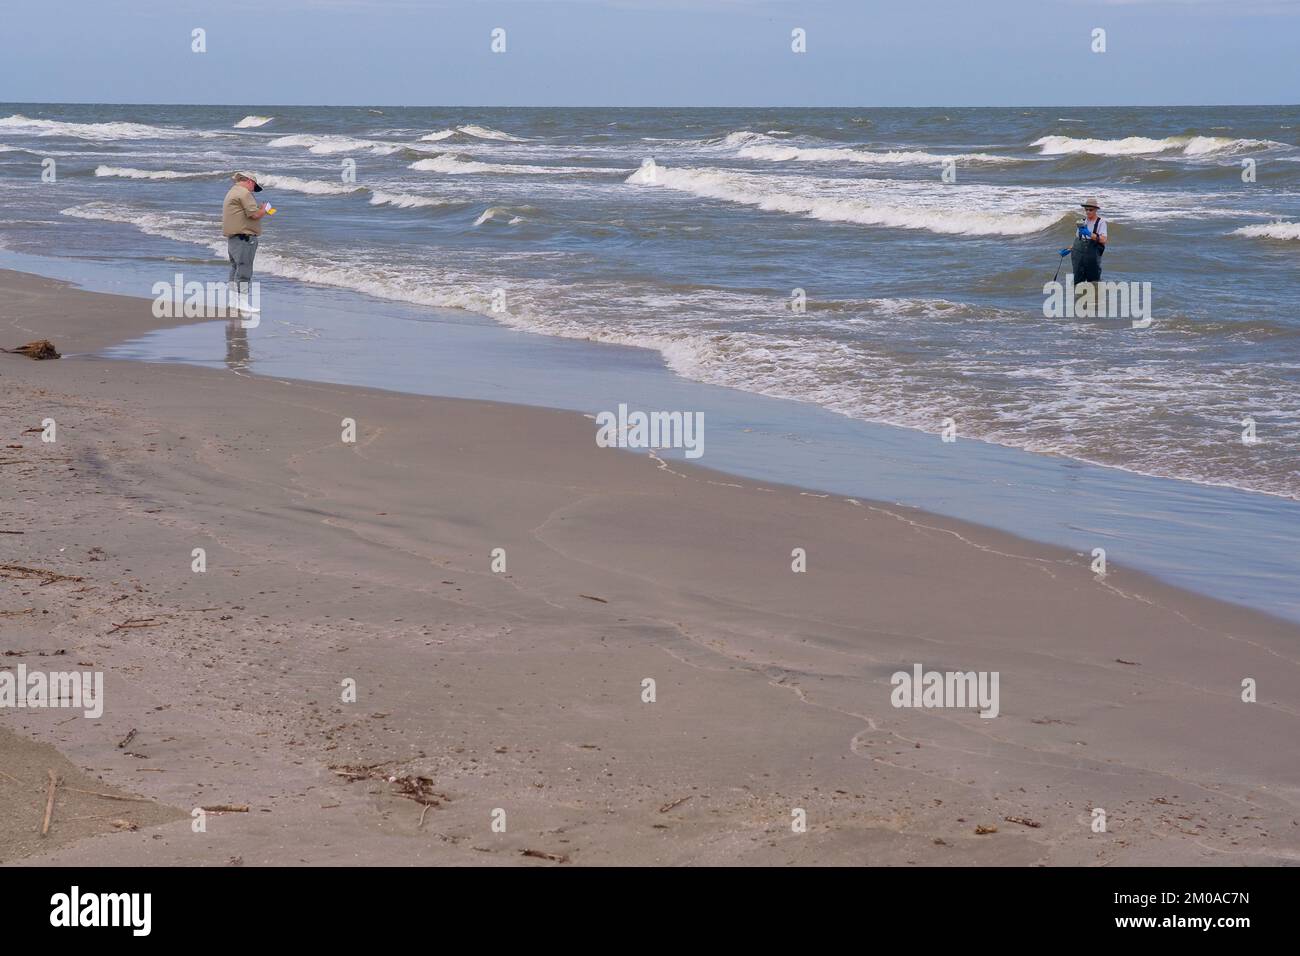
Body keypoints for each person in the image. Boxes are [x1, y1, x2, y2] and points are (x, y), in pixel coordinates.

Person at [222, 172, 270, 312]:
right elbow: (254, 214)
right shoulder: (244, 193)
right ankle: (242, 302)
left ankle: (233, 301)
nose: (253, 190)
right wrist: (265, 210)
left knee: (235, 268)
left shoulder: (232, 192)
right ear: (250, 181)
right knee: (244, 270)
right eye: (254, 187)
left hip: (234, 237)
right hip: (244, 238)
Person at [1058, 197, 1107, 287]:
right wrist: (1068, 249)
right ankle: (1078, 300)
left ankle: (1095, 300)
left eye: (1090, 210)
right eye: (1086, 209)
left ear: (1096, 210)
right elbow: (1078, 240)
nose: (1088, 212)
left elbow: (1104, 240)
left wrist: (1089, 233)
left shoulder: (1101, 222)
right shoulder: (1082, 222)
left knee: (1094, 284)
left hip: (1092, 259)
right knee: (1078, 284)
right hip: (1078, 258)